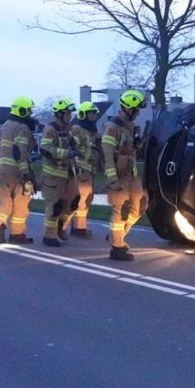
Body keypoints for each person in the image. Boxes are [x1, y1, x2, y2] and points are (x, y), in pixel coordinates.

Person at [102, 89, 147, 261]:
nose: (138, 113)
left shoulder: (129, 126)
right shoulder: (112, 127)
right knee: (121, 210)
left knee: (139, 207)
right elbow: (107, 155)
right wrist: (112, 179)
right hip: (118, 176)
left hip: (131, 175)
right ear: (128, 108)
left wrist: (138, 143)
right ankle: (117, 247)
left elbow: (130, 152)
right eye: (136, 110)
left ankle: (116, 235)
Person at [0, 96, 36, 244]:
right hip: (18, 172)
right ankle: (17, 234)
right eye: (29, 111)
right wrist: (26, 173)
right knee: (22, 202)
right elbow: (20, 150)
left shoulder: (6, 125)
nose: (30, 114)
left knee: (5, 202)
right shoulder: (21, 127)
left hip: (3, 171)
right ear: (22, 111)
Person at [39, 97, 78, 247]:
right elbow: (45, 149)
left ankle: (61, 225)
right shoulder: (50, 129)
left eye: (70, 114)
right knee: (55, 205)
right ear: (60, 114)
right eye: (67, 114)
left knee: (74, 201)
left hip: (68, 173)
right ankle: (49, 236)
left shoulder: (67, 130)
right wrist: (66, 153)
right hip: (53, 175)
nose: (70, 117)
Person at [67, 101, 100, 239]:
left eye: (94, 114)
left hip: (90, 170)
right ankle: (77, 228)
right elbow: (73, 149)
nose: (94, 116)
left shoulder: (94, 132)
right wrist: (76, 168)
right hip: (80, 170)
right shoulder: (76, 129)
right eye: (91, 114)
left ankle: (78, 226)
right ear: (83, 115)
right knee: (81, 199)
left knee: (87, 199)